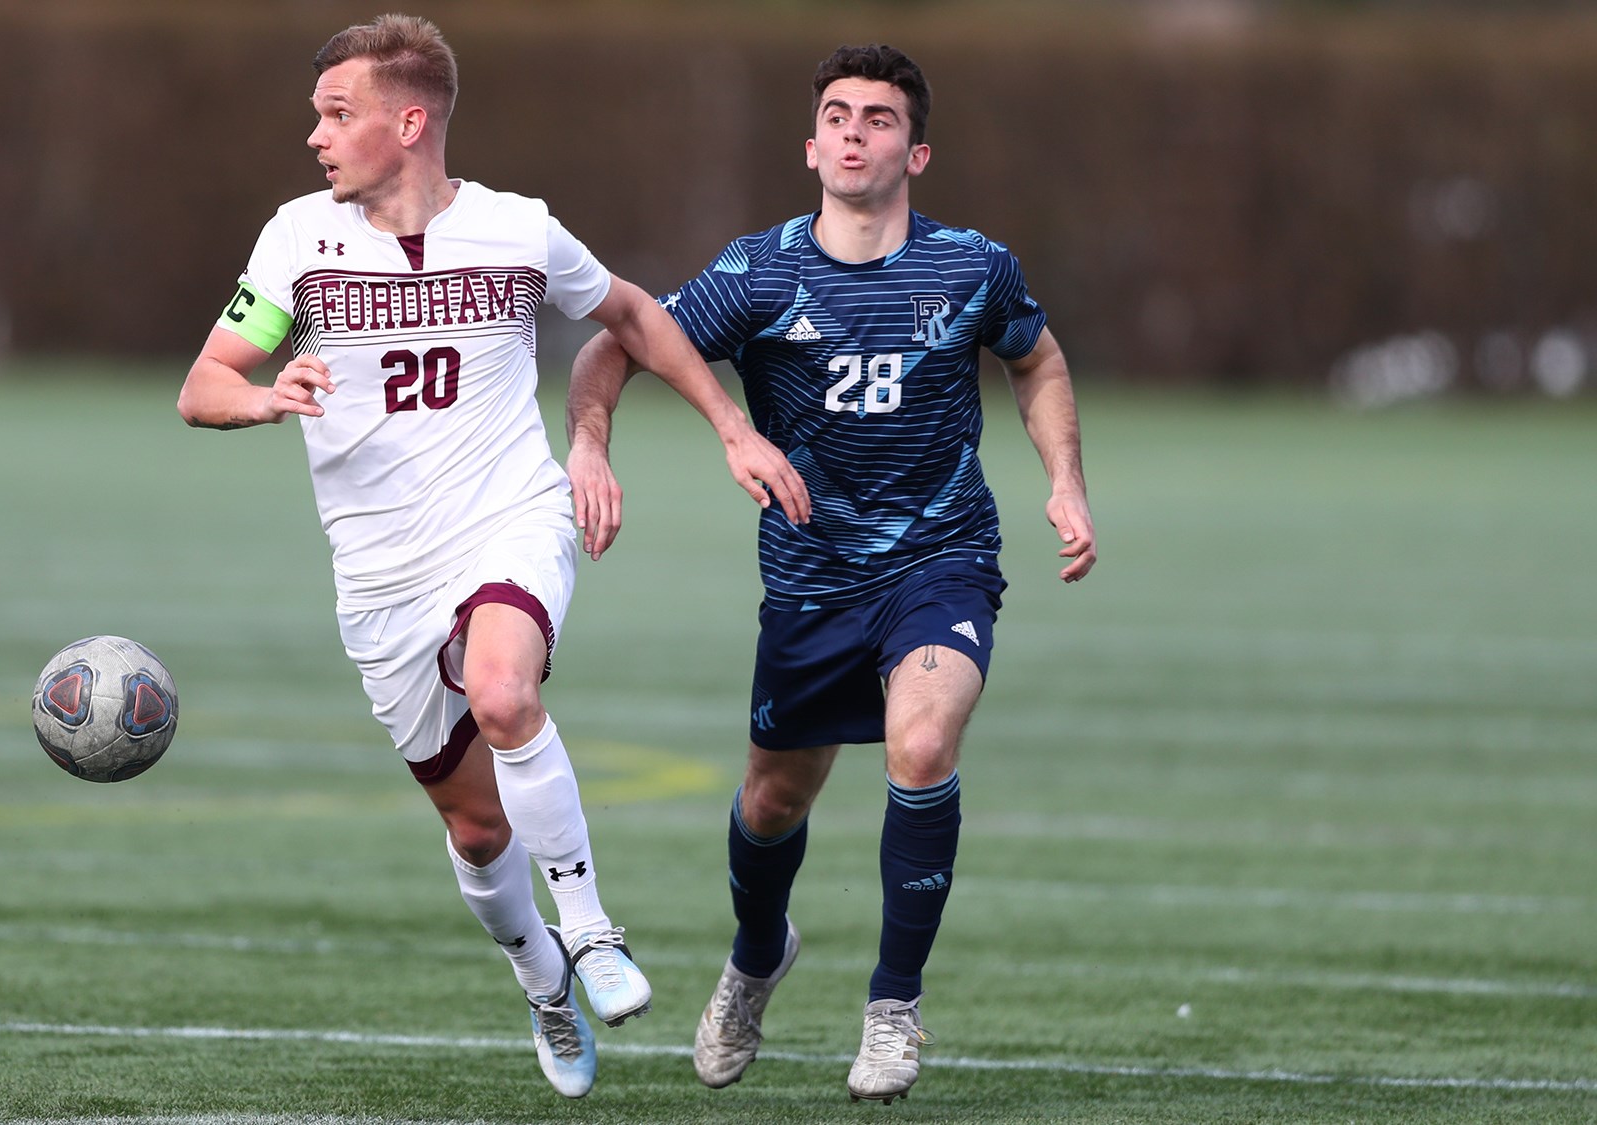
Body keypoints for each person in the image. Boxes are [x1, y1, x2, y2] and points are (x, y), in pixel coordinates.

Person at [174, 15, 803, 1100]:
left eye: (337, 114)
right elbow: (203, 384)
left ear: (409, 121)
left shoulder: (518, 229)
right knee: (475, 827)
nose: (315, 136)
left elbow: (632, 314)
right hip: (380, 574)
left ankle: (591, 930)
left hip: (509, 515)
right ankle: (543, 980)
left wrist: (729, 426)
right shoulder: (297, 240)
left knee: (504, 690)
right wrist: (266, 395)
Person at [565, 43, 1096, 1104]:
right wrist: (588, 444)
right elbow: (617, 340)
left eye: (879, 118)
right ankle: (757, 955)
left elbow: (1033, 356)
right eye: (838, 117)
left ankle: (893, 1007)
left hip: (942, 560)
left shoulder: (971, 267)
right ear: (811, 147)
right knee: (770, 802)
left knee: (922, 743)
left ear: (916, 152)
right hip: (810, 580)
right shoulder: (758, 273)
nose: (855, 132)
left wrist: (1065, 481)